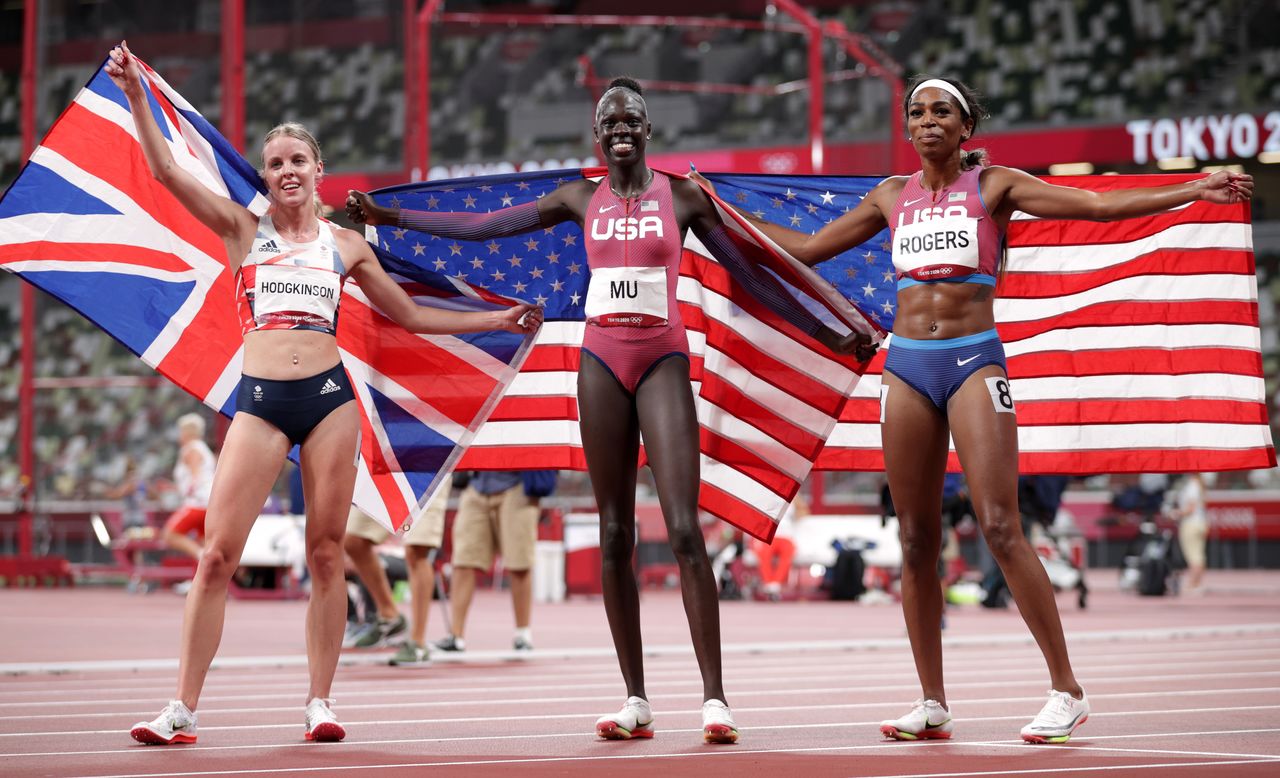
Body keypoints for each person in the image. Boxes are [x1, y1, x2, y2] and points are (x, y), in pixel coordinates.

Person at [702, 75, 1252, 744]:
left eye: (942, 112)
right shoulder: (889, 196)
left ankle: (1066, 690)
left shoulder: (995, 187)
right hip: (905, 364)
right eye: (917, 112)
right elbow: (809, 248)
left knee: (999, 524)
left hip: (971, 360)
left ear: (966, 129)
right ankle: (931, 700)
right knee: (914, 540)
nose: (928, 121)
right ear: (907, 128)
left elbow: (1091, 206)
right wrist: (712, 211)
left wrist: (1192, 188)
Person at [347, 77, 860, 745]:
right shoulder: (576, 198)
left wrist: (824, 329)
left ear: (648, 130)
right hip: (600, 361)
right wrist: (395, 220)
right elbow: (483, 229)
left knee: (682, 528)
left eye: (632, 118)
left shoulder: (682, 196)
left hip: (663, 361)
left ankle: (715, 700)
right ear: (598, 134)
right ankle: (636, 697)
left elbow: (753, 265)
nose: (621, 127)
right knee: (614, 532)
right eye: (609, 120)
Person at [106, 43, 540, 746]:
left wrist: (496, 318)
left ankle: (320, 701)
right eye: (273, 163)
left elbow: (410, 316)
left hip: (330, 399)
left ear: (317, 172)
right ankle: (181, 708)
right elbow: (161, 169)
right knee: (217, 554)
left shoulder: (347, 246)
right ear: (267, 176)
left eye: (296, 161)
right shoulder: (241, 230)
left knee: (328, 552)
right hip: (260, 400)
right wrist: (133, 93)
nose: (284, 171)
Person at [432, 471, 551, 653]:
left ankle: (523, 634)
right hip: (476, 485)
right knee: (463, 560)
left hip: (518, 485)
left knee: (519, 562)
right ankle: (456, 636)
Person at [344, 488, 448, 665]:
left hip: (430, 468)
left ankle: (418, 643)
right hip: (390, 467)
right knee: (353, 540)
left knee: (417, 551)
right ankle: (390, 616)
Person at [161, 413, 217, 563]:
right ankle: (202, 580)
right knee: (203, 541)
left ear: (186, 432)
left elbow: (196, 475)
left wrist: (191, 489)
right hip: (209, 502)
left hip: (197, 503)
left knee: (170, 534)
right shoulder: (203, 448)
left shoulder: (191, 449)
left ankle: (202, 557)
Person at [751, 494, 805, 601]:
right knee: (763, 554)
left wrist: (796, 503)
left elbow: (803, 513)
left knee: (787, 554)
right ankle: (770, 582)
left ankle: (775, 583)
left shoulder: (794, 498)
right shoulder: (767, 498)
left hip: (786, 536)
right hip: (770, 535)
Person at [1171, 472, 1209, 594]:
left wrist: (1176, 513)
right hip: (1199, 522)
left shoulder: (1192, 485)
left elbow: (1190, 508)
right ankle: (1196, 583)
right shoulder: (1198, 484)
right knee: (1198, 554)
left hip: (1191, 523)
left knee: (1193, 556)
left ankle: (1193, 584)